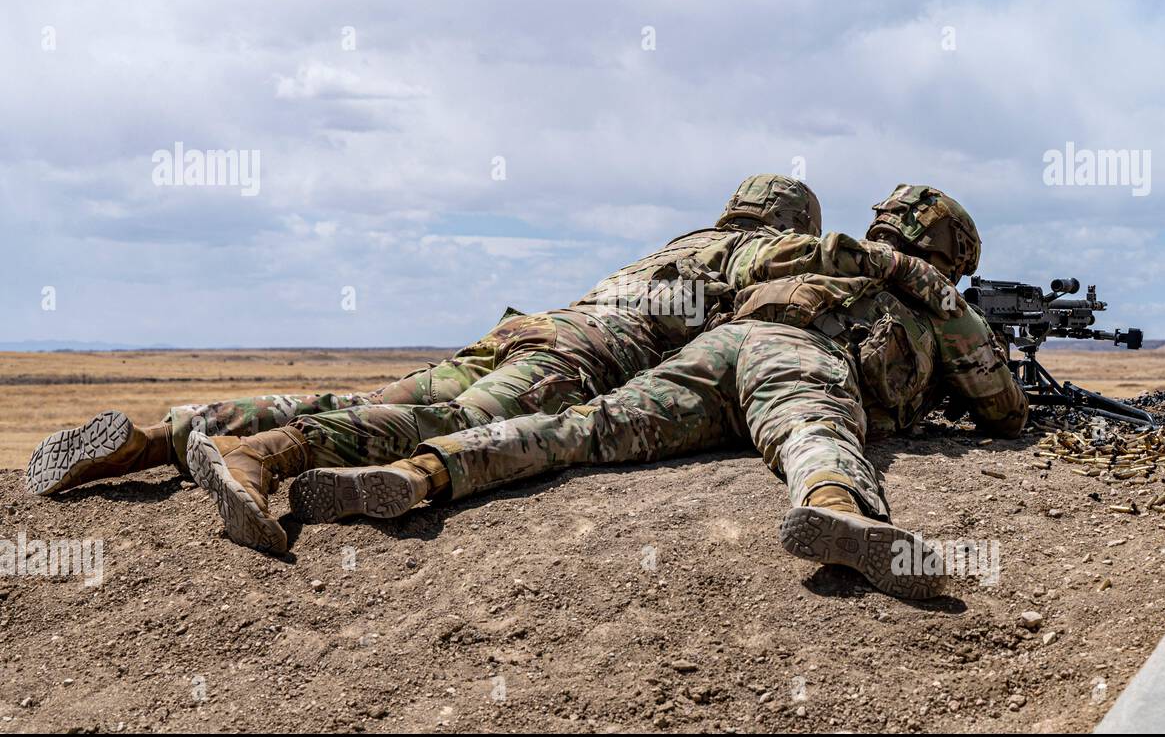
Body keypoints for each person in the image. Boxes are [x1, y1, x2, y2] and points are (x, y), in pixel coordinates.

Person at [272, 188, 1028, 601]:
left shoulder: (812, 259)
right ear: (952, 259)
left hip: (718, 352)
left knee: (584, 429)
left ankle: (417, 474)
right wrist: (947, 314)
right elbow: (1005, 413)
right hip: (801, 363)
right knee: (813, 435)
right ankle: (834, 512)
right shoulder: (934, 305)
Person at [26, 173, 819, 506]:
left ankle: (156, 439)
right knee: (445, 425)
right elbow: (769, 300)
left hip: (526, 329)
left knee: (369, 396)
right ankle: (269, 456)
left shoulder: (674, 242)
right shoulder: (744, 253)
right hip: (574, 359)